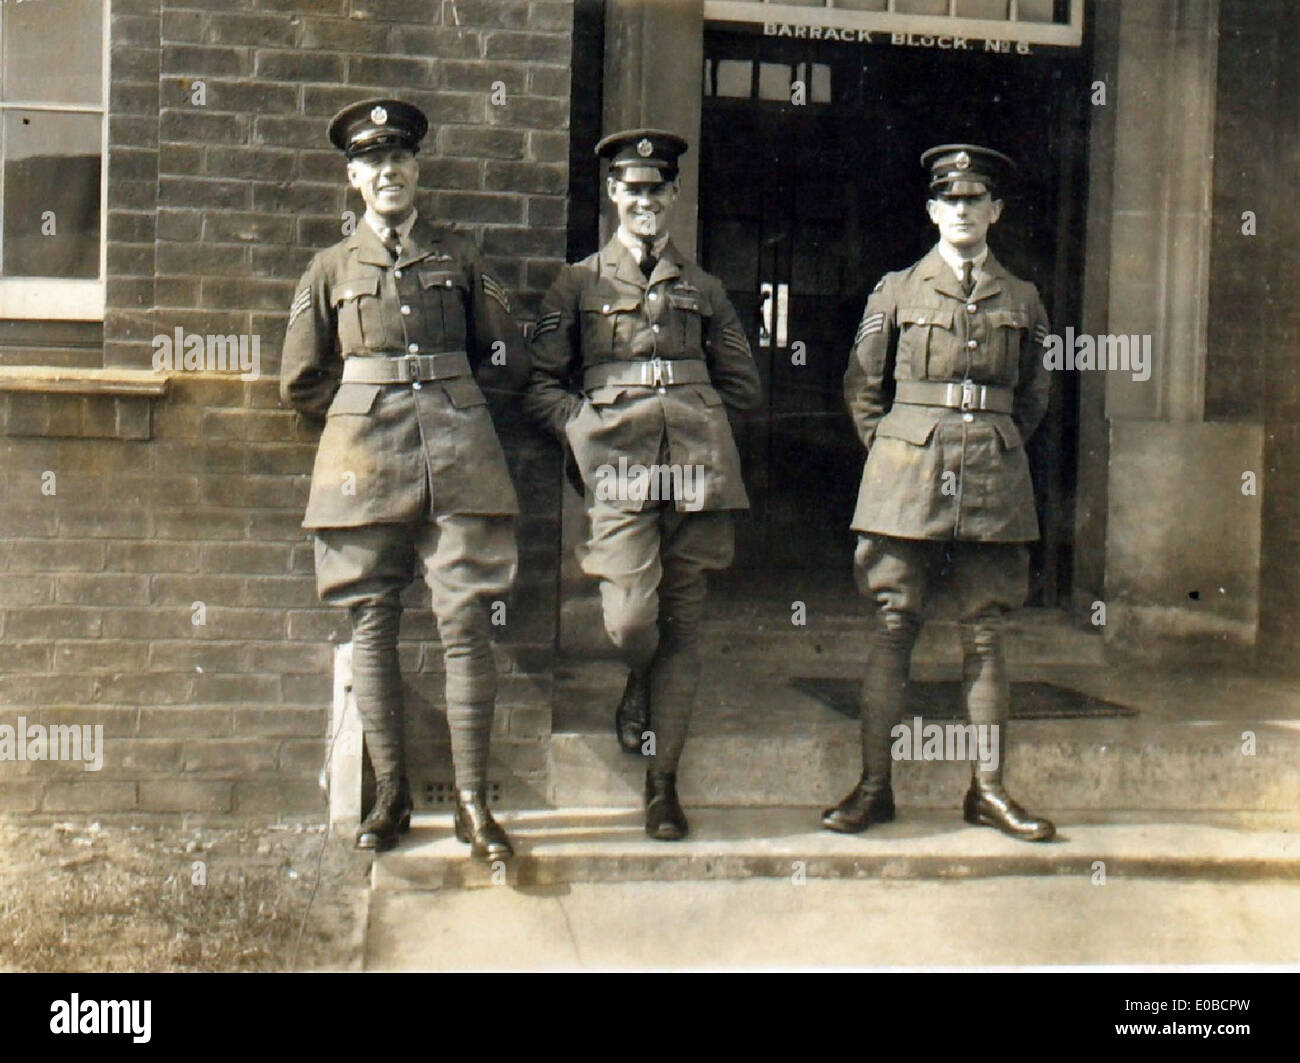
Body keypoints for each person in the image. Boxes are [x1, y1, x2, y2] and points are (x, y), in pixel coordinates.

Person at [280, 98, 528, 859]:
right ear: (354, 178)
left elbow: (509, 357)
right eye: (373, 163)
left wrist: (462, 408)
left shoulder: (461, 255)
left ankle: (471, 805)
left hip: (459, 454)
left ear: (417, 170)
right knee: (372, 625)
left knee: (465, 623)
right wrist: (357, 414)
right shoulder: (328, 270)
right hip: (363, 463)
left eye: (401, 159)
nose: (389, 173)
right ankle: (390, 795)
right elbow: (298, 379)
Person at [524, 129, 762, 840]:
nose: (646, 201)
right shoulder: (578, 283)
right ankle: (638, 676)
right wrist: (586, 431)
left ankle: (662, 786)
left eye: (658, 190)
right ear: (613, 196)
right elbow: (538, 384)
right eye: (633, 189)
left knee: (685, 626)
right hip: (621, 475)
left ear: (674, 196)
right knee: (631, 622)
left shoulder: (706, 289)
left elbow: (743, 385)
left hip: (697, 477)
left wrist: (703, 423)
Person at [827, 144, 1056, 842]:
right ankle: (874, 788)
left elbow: (1034, 395)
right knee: (895, 624)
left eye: (975, 199)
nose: (962, 211)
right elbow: (862, 385)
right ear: (932, 210)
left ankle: (987, 790)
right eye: (949, 201)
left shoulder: (1022, 297)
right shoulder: (895, 290)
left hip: (991, 472)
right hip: (907, 475)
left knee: (983, 631)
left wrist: (991, 443)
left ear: (995, 211)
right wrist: (897, 453)